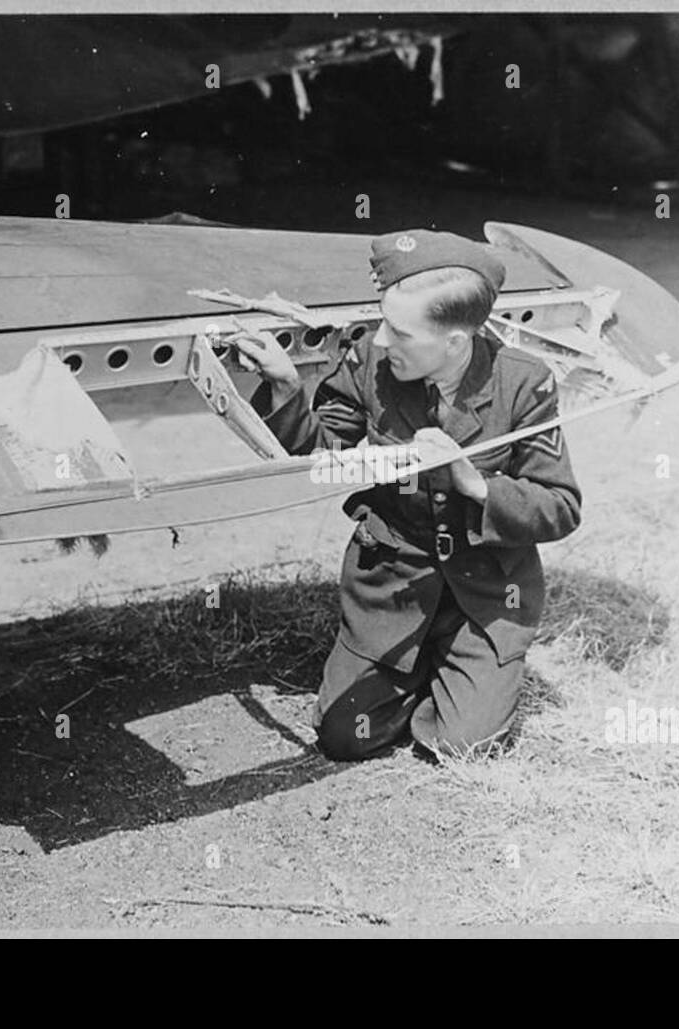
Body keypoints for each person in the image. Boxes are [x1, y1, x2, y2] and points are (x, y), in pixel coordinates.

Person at [233, 229, 582, 760]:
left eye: (401, 333)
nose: (381, 342)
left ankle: (456, 667)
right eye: (383, 323)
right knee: (345, 739)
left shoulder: (523, 383)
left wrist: (475, 483)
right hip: (393, 588)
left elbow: (560, 505)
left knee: (465, 746)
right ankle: (411, 666)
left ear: (455, 343)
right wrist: (285, 386)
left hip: (483, 598)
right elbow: (323, 460)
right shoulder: (368, 363)